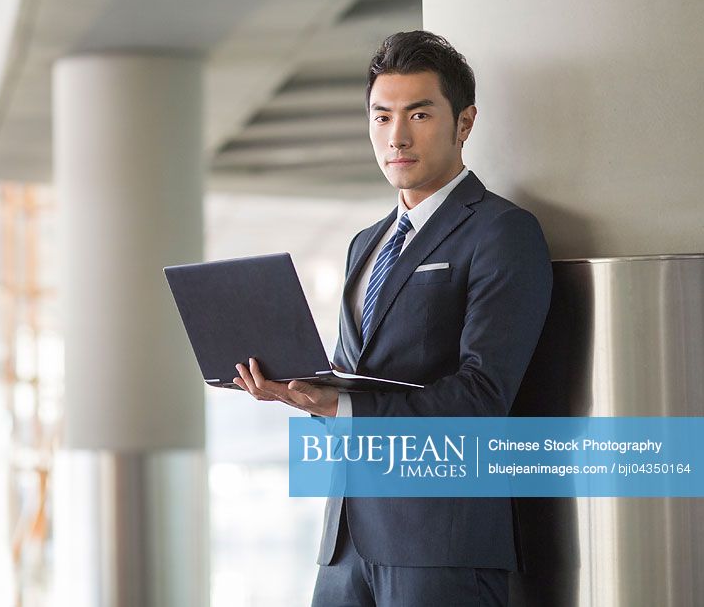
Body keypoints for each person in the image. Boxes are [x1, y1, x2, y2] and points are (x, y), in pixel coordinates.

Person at [232, 31, 553, 606]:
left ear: (465, 122)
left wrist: (343, 404)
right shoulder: (366, 244)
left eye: (419, 114)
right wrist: (301, 392)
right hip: (346, 542)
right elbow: (359, 381)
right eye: (381, 117)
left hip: (441, 544)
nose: (396, 136)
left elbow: (483, 395)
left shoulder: (501, 232)